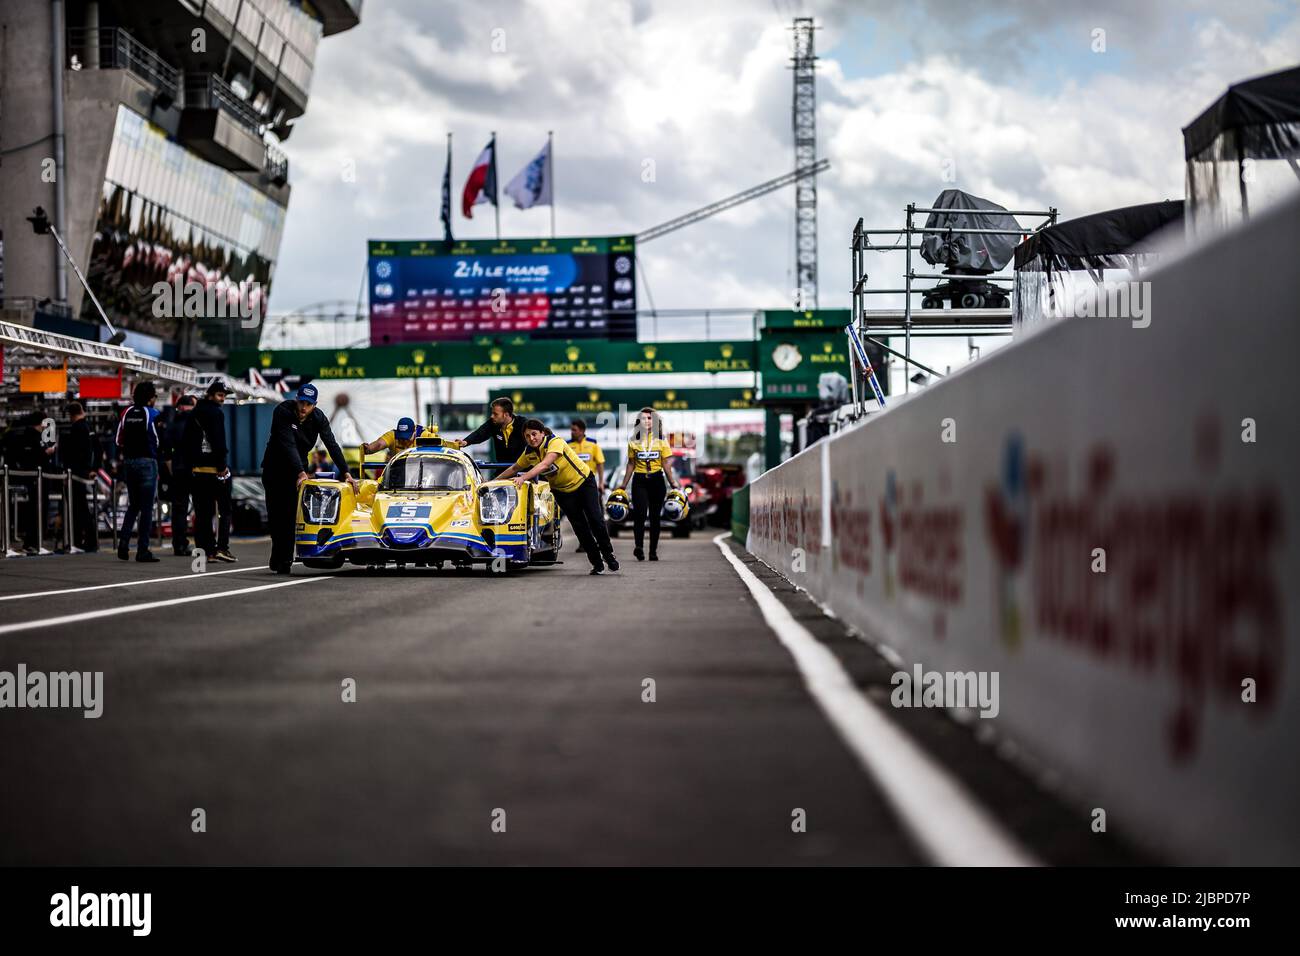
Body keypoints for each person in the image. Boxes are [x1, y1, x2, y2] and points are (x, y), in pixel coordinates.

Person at [497, 419, 619, 575]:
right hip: (562, 492)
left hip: (583, 483)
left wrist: (523, 478)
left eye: (534, 434)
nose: (531, 439)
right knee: (580, 528)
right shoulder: (529, 453)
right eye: (527, 436)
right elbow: (514, 467)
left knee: (596, 520)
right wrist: (493, 481)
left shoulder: (555, 442)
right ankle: (596, 562)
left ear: (542, 433)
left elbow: (545, 464)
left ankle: (608, 555)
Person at [260, 382, 355, 574]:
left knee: (289, 515)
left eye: (309, 404)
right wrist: (301, 472)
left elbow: (332, 444)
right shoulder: (283, 412)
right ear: (296, 400)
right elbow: (288, 444)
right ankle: (277, 553)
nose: (304, 407)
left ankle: (285, 560)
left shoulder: (319, 418)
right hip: (275, 469)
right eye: (301, 402)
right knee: (275, 516)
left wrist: (346, 472)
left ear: (315, 405)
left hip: (297, 471)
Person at [617, 406, 680, 561]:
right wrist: (623, 485)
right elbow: (630, 464)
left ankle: (653, 551)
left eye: (650, 418)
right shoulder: (633, 440)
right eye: (644, 418)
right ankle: (639, 547)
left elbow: (665, 463)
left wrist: (673, 483)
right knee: (639, 514)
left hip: (657, 480)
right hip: (639, 480)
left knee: (654, 517)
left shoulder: (661, 440)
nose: (647, 421)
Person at [187, 380, 236, 562]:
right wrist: (222, 466)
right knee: (225, 509)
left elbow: (188, 441)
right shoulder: (216, 413)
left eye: (224, 396)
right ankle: (222, 548)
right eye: (219, 395)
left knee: (203, 513)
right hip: (214, 470)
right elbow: (218, 441)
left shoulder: (194, 413)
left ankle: (205, 552)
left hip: (197, 471)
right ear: (210, 395)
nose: (222, 399)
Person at [115, 381, 161, 562]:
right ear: (151, 398)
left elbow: (118, 440)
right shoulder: (152, 413)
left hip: (129, 462)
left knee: (133, 506)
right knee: (147, 508)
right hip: (147, 463)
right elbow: (157, 440)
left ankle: (123, 545)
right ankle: (143, 550)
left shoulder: (125, 413)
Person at [60, 402, 101, 553]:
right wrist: (94, 468)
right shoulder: (89, 427)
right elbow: (97, 449)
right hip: (83, 473)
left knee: (78, 509)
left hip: (76, 474)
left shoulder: (77, 428)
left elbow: (75, 454)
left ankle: (82, 541)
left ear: (71, 414)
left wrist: (69, 472)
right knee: (81, 508)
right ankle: (86, 541)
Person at [160, 395, 196, 556]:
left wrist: (173, 470)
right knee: (201, 508)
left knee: (179, 509)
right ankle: (204, 544)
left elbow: (166, 452)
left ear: (180, 407)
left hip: (179, 470)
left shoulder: (172, 425)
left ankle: (179, 544)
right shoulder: (198, 423)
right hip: (197, 470)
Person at [445, 397, 525, 462]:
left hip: (524, 472)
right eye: (492, 413)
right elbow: (480, 433)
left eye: (495, 414)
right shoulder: (493, 423)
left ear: (506, 415)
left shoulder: (523, 424)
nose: (492, 416)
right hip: (502, 471)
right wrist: (466, 441)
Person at [567, 418, 605, 553]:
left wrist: (601, 482)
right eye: (571, 429)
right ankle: (584, 543)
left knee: (595, 515)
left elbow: (600, 463)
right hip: (574, 485)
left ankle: (601, 541)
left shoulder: (593, 444)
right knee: (579, 516)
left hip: (590, 484)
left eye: (574, 430)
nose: (572, 432)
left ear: (582, 431)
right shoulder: (567, 445)